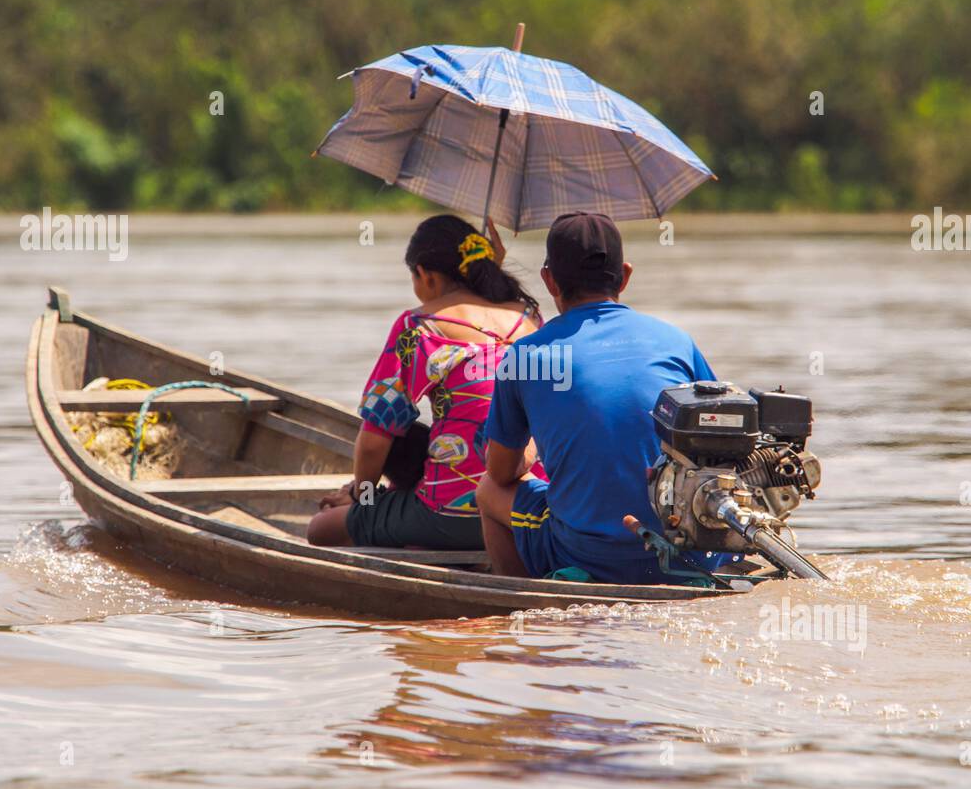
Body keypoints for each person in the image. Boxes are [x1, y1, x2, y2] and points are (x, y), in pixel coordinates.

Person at [476, 212, 720, 584]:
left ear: (549, 280)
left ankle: (516, 604)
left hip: (590, 555)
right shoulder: (675, 342)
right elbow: (718, 434)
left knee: (488, 490)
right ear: (624, 276)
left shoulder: (525, 356)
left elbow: (501, 472)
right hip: (691, 553)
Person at [307, 214, 542, 550]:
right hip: (530, 507)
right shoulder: (528, 317)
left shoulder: (419, 327)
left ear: (424, 275)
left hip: (454, 511)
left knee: (322, 528)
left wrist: (363, 498)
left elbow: (374, 442)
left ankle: (399, 518)